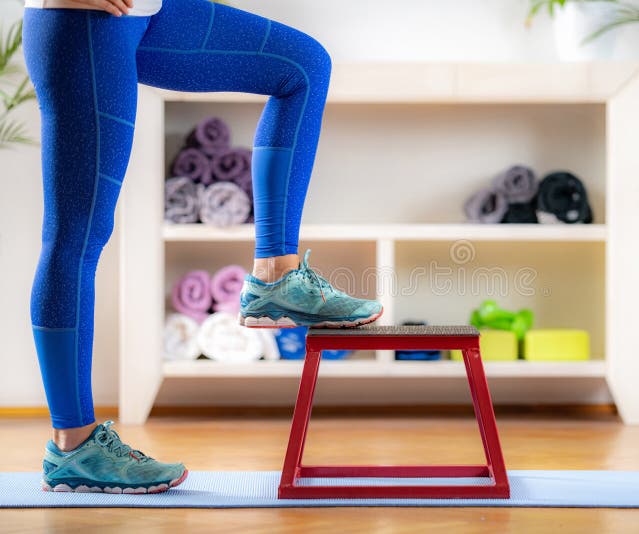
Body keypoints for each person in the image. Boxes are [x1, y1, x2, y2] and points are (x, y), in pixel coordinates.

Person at [22, 0, 382, 494]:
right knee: (76, 237)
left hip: (148, 12)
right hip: (81, 20)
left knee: (303, 66)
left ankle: (276, 276)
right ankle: (74, 445)